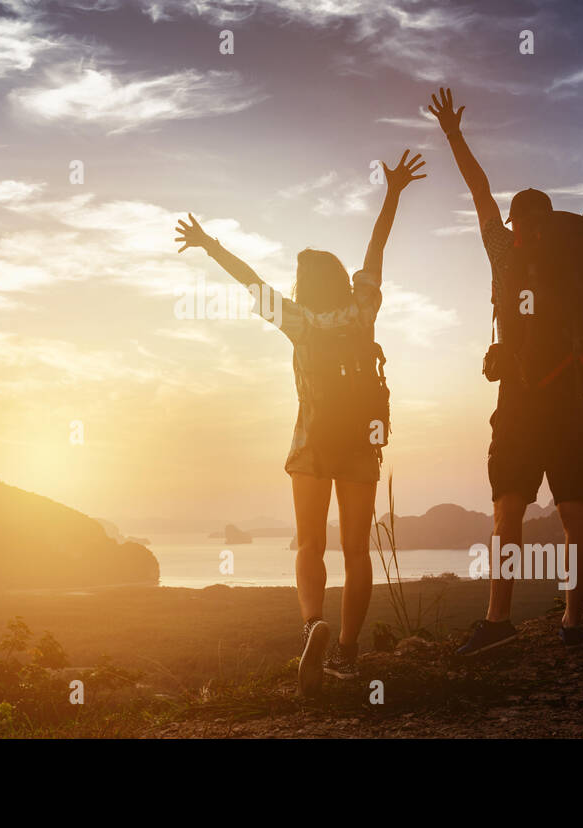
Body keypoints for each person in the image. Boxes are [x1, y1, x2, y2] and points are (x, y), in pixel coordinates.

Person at [426, 86, 583, 654]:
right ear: (549, 219)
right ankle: (574, 624)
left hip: (517, 397)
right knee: (573, 512)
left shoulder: (503, 252)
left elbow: (479, 189)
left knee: (507, 510)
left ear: (515, 224)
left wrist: (454, 135)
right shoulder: (576, 246)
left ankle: (497, 621)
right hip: (567, 397)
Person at [174, 150, 425, 694]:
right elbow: (376, 251)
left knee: (309, 544)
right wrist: (393, 193)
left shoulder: (298, 321)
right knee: (357, 551)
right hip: (362, 443)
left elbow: (250, 280)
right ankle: (348, 655)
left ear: (304, 285)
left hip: (311, 442)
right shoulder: (362, 311)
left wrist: (208, 243)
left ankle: (313, 624)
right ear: (340, 279)